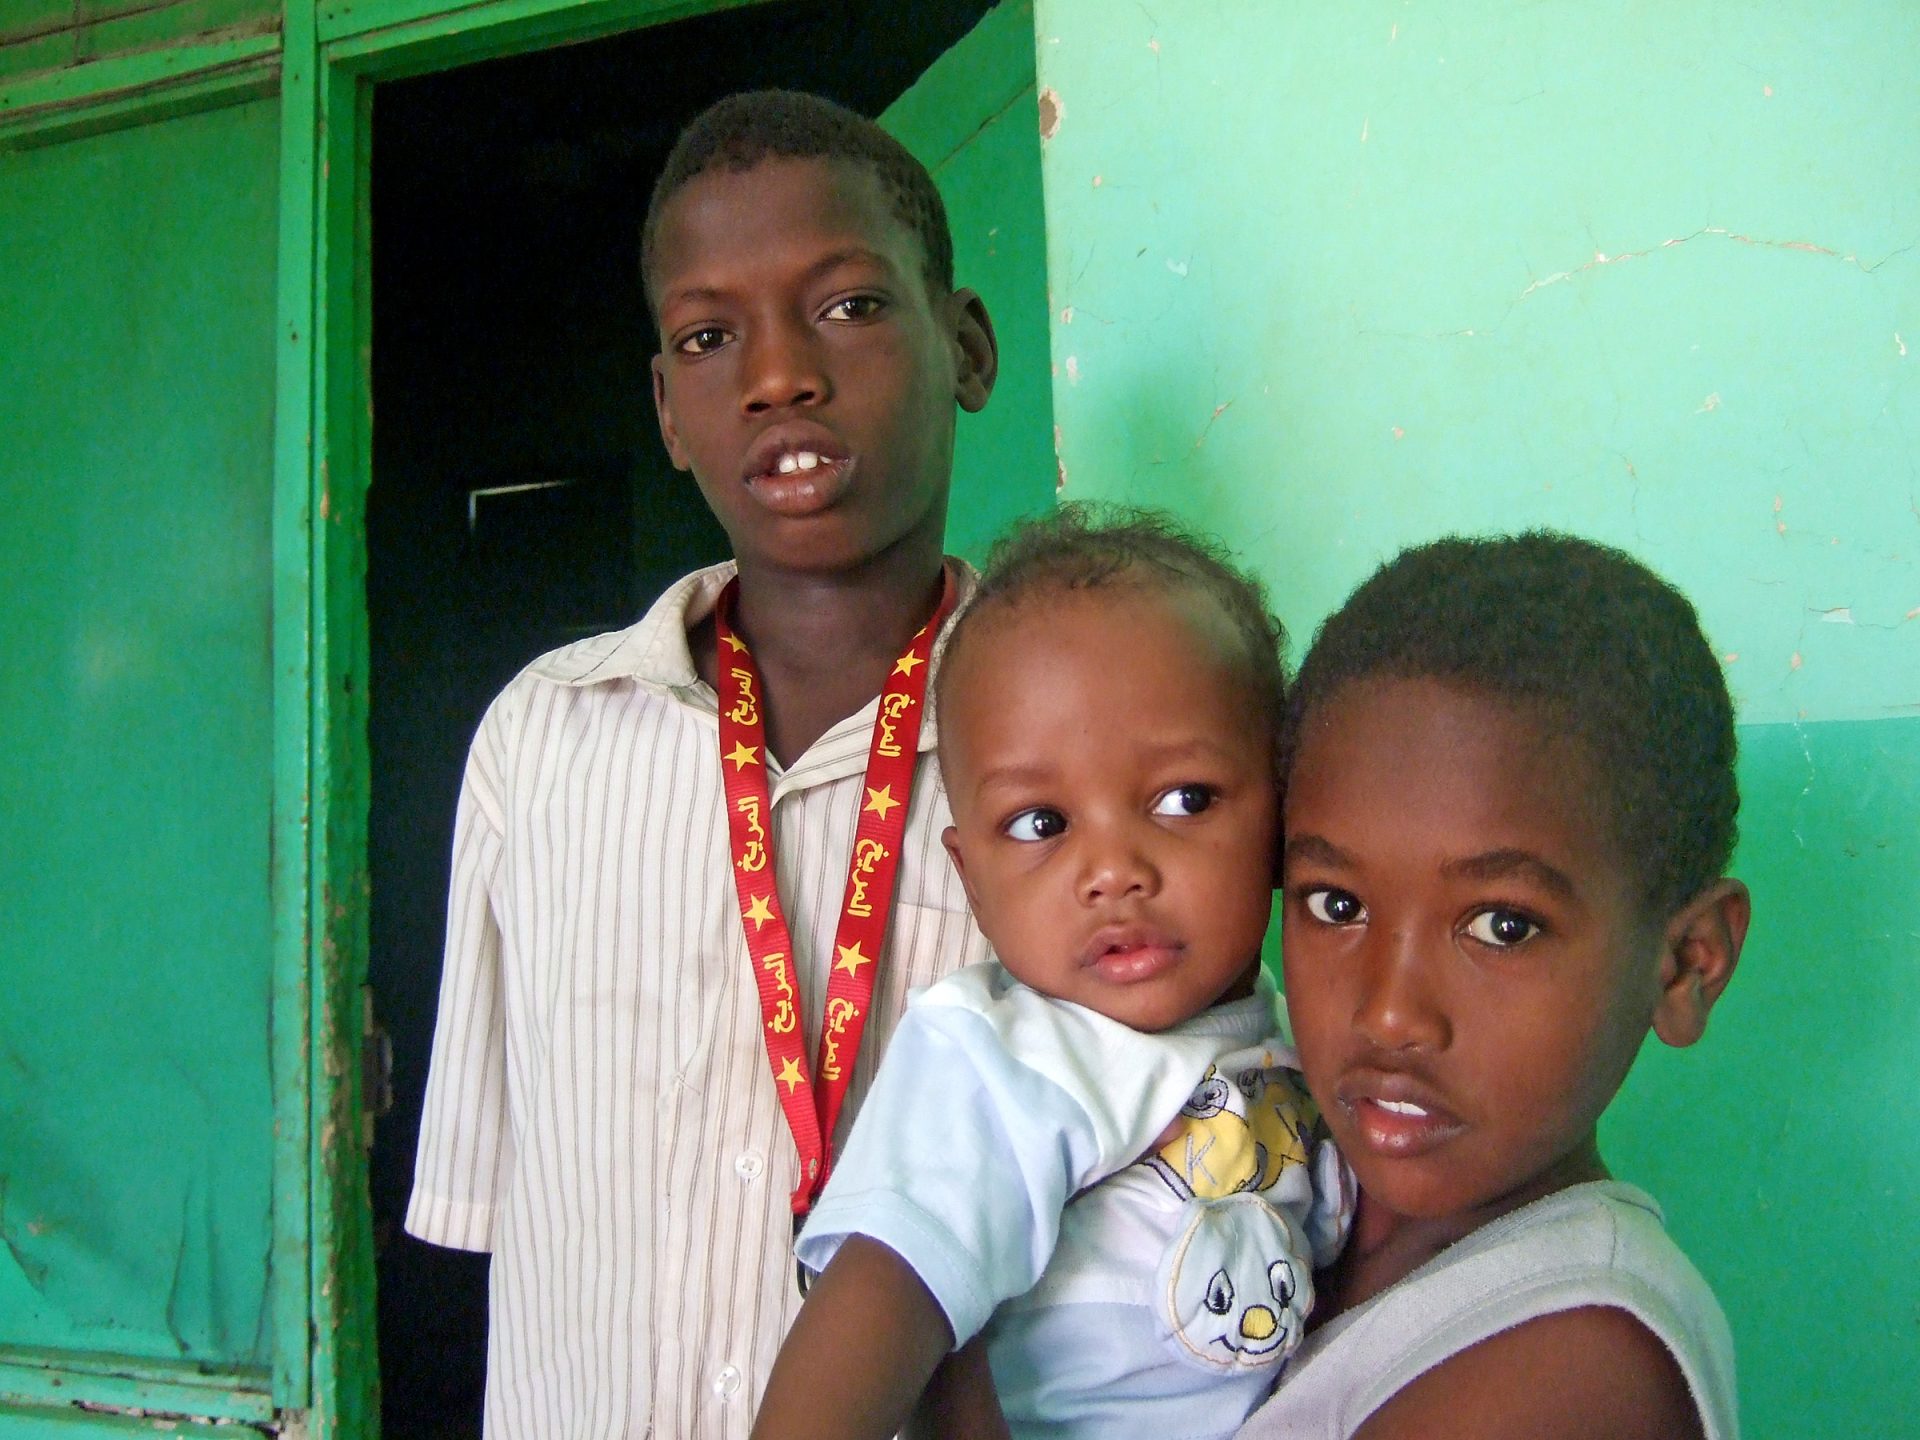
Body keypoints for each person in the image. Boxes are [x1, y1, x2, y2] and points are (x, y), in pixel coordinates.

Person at [404, 89, 1000, 1437]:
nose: (778, 374)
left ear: (966, 347)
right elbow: (496, 1211)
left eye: (849, 305)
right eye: (710, 337)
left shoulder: (1079, 761)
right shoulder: (540, 743)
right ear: (669, 410)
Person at [752, 508, 1353, 1440]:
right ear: (972, 882)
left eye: (1183, 799)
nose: (1113, 870)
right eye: (1041, 824)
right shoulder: (1001, 1061)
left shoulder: (1299, 1044)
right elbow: (875, 1305)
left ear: (1283, 814)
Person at [1236, 532, 1749, 1439]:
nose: (1390, 1013)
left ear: (1687, 964)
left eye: (1503, 927)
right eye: (1336, 903)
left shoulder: (1577, 1371)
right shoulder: (1275, 1193)